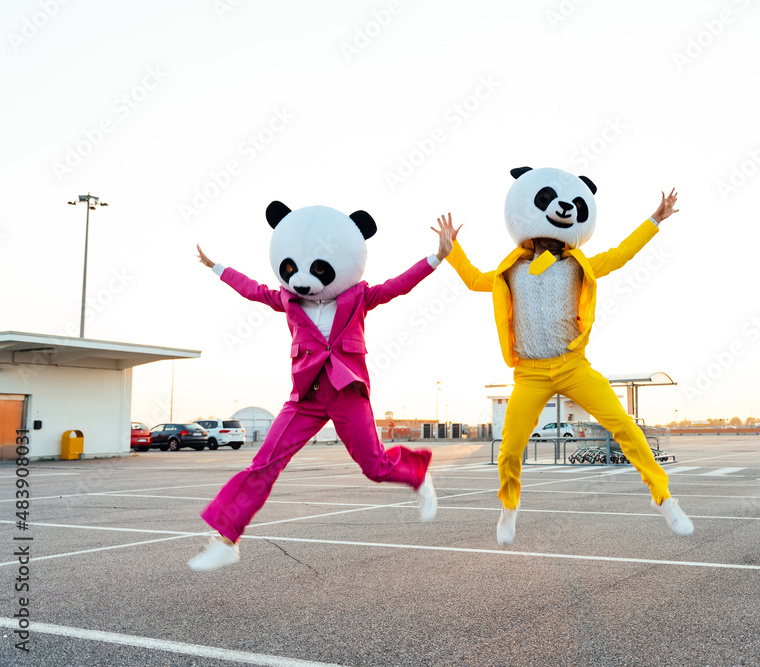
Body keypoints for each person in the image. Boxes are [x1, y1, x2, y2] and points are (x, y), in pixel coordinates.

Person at [187, 204, 459, 571]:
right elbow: (251, 289)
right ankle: (226, 540)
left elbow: (398, 286)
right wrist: (216, 267)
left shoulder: (360, 296)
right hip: (307, 395)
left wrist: (437, 257)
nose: (303, 280)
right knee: (263, 462)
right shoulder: (287, 299)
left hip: (346, 390)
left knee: (375, 467)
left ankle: (417, 473)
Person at [443, 166, 693, 545]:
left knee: (625, 428)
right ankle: (509, 507)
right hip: (530, 374)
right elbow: (476, 279)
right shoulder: (511, 270)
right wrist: (451, 250)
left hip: (573, 366)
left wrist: (655, 219)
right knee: (510, 449)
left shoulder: (580, 265)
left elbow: (622, 254)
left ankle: (664, 498)